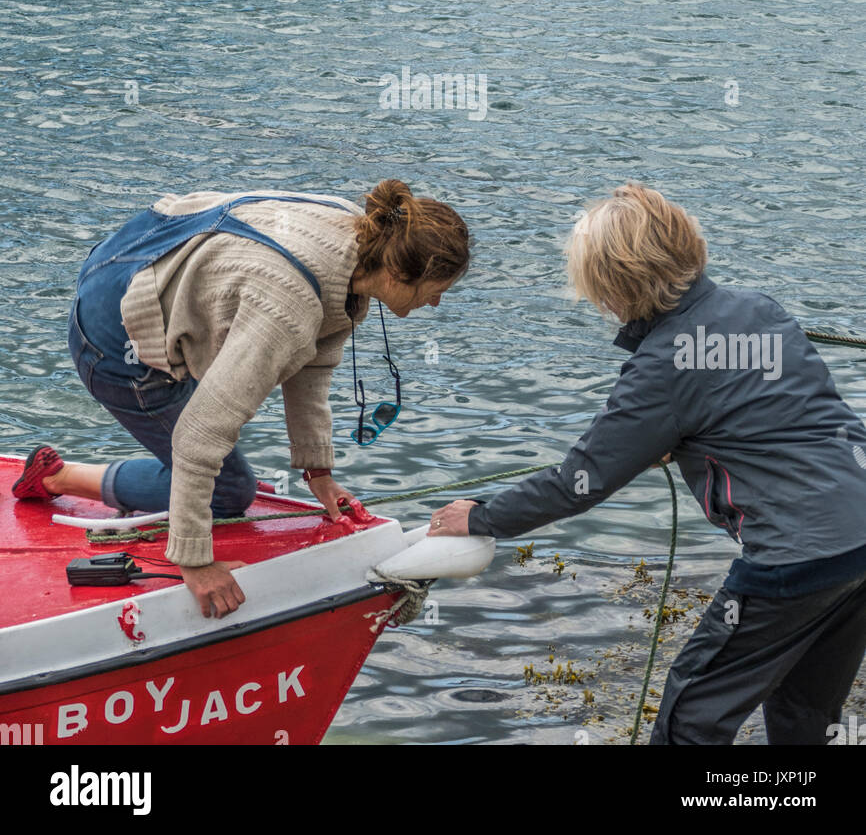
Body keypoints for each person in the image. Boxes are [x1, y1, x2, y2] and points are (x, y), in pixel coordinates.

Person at [429, 182, 866, 745]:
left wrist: (482, 517)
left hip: (795, 556)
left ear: (615, 283)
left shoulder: (662, 367)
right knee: (808, 711)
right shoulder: (758, 307)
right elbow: (781, 414)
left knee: (692, 715)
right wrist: (678, 432)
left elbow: (578, 482)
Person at [14, 180, 470, 620]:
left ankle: (158, 481)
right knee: (231, 491)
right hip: (116, 335)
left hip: (133, 261)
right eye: (437, 290)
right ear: (398, 273)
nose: (435, 305)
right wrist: (194, 561)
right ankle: (57, 478)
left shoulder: (364, 240)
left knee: (221, 462)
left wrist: (319, 472)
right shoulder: (287, 307)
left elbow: (313, 363)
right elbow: (198, 437)